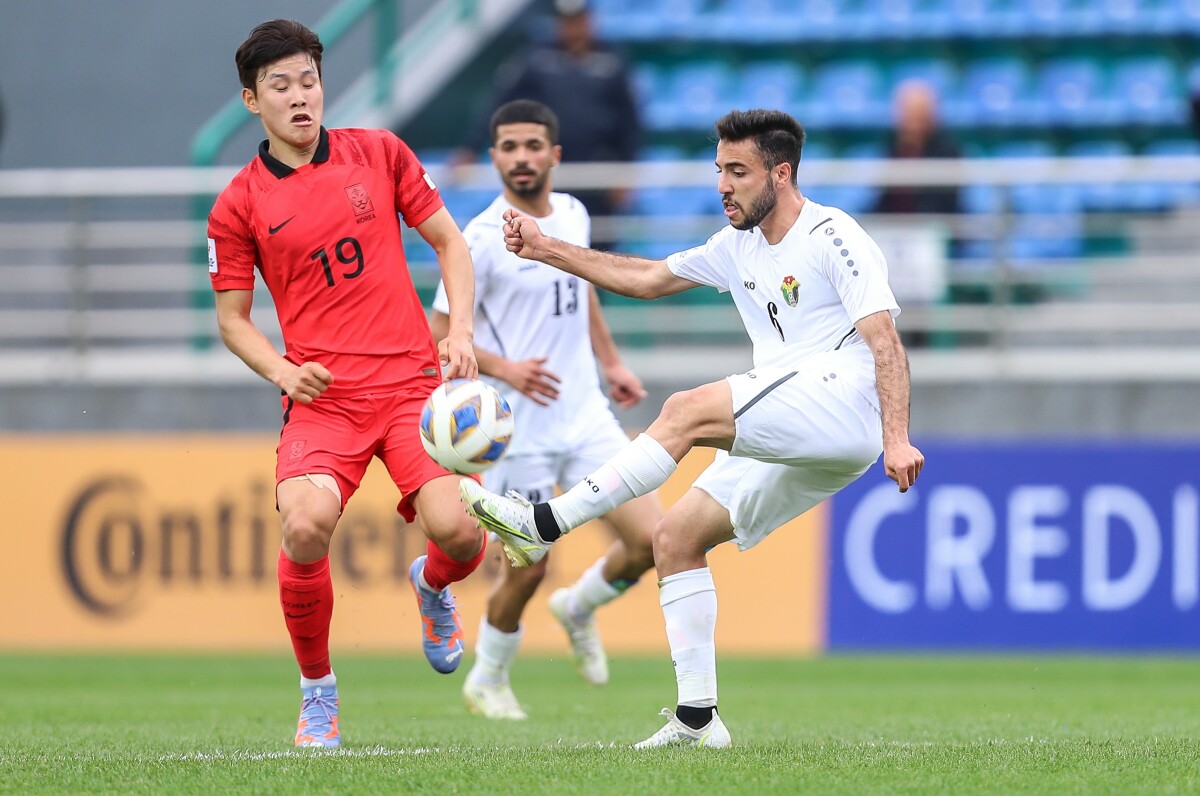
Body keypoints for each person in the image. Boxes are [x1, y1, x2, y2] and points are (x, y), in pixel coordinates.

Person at [460, 109, 925, 748]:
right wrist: (546, 248)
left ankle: (544, 521)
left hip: (844, 407)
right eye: (719, 171)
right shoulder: (734, 245)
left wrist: (897, 436)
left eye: (738, 172)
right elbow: (647, 279)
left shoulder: (832, 236)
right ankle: (698, 720)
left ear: (781, 173)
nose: (723, 186)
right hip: (797, 427)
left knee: (685, 409)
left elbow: (886, 341)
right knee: (675, 538)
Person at [206, 19, 489, 749]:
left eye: (309, 80)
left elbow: (451, 243)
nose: (300, 97)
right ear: (251, 101)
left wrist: (458, 332)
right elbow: (233, 320)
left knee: (460, 533)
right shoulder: (239, 204)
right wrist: (280, 370)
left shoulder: (380, 152)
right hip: (324, 400)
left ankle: (432, 584)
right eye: (281, 86)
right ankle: (318, 694)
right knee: (303, 527)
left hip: (410, 387)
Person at [430, 99, 661, 720]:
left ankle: (579, 606)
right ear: (494, 157)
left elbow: (581, 294)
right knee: (529, 568)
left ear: (554, 155)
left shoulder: (573, 215)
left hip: (585, 414)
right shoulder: (478, 237)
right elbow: (439, 328)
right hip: (518, 430)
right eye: (509, 147)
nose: (522, 157)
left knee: (654, 541)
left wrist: (611, 362)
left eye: (533, 145)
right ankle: (488, 676)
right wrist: (506, 371)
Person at [452, 0, 642, 242]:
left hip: (598, 174)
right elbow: (498, 103)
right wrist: (470, 148)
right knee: (546, 242)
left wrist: (625, 171)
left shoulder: (612, 62)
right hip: (548, 172)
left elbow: (630, 121)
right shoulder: (536, 59)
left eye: (578, 20)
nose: (573, 28)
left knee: (597, 247)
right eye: (566, 21)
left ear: (589, 21)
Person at [873, 80, 962, 216]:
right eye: (908, 112)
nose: (912, 121)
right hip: (891, 226)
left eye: (918, 113)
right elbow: (881, 198)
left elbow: (945, 202)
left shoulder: (947, 152)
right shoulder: (890, 148)